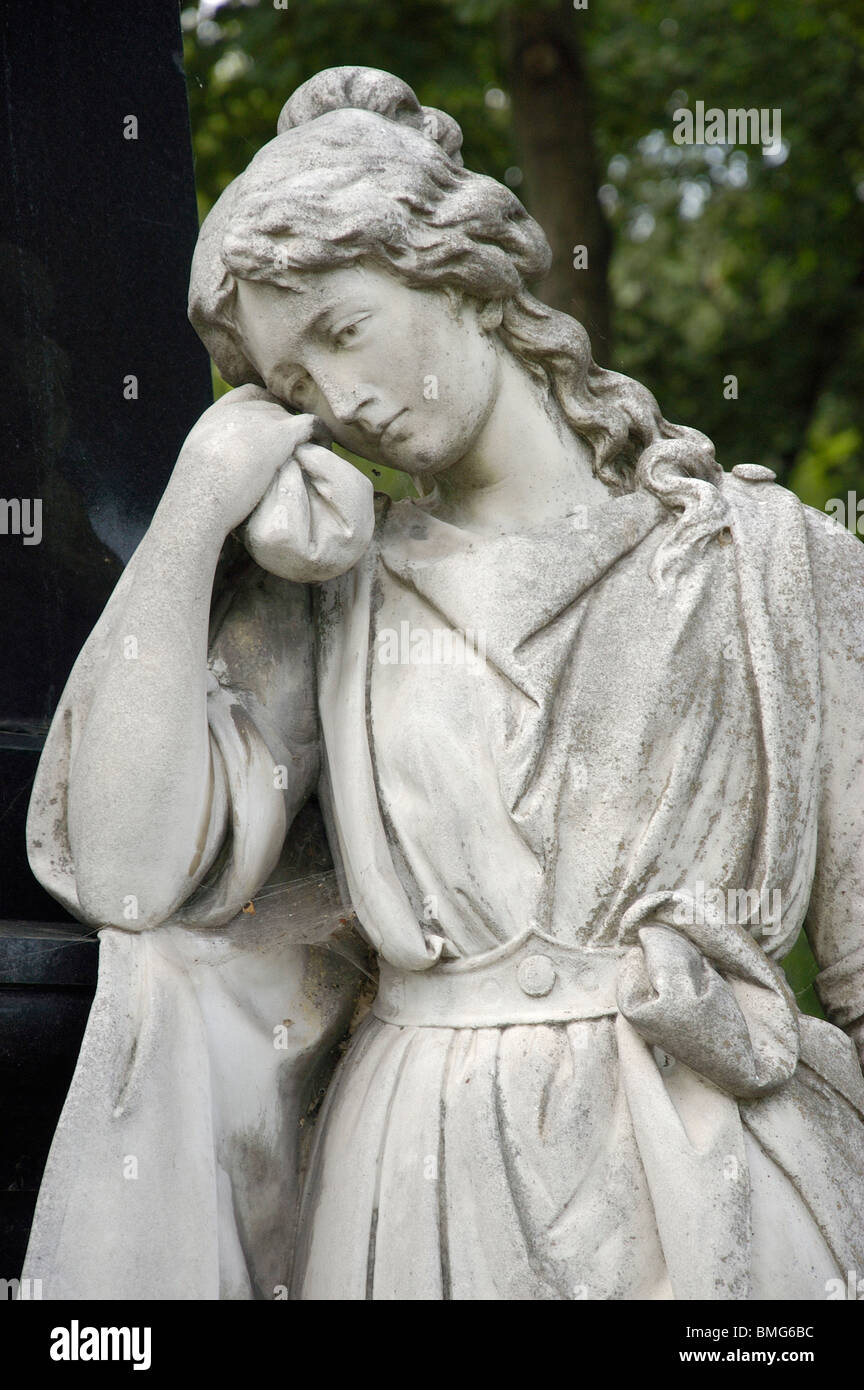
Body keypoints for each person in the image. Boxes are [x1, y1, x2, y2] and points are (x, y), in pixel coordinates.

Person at [24, 66, 864, 1300]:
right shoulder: (333, 595)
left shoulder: (777, 566)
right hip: (418, 1191)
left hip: (724, 1188)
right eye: (293, 385)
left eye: (344, 330)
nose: (342, 400)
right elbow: (122, 869)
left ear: (458, 266)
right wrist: (199, 501)